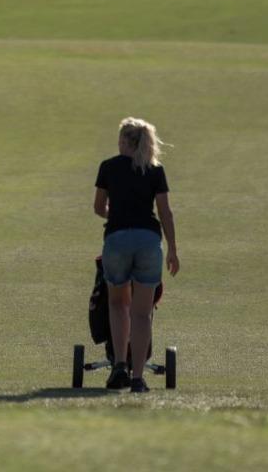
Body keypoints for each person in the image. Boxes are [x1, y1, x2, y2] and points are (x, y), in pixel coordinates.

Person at [93, 117, 178, 393]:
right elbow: (165, 212)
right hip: (148, 241)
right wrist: (173, 249)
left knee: (118, 304)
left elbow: (99, 208)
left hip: (117, 239)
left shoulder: (108, 167)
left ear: (123, 141)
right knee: (142, 313)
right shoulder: (155, 170)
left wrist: (116, 214)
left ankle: (119, 366)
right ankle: (138, 378)